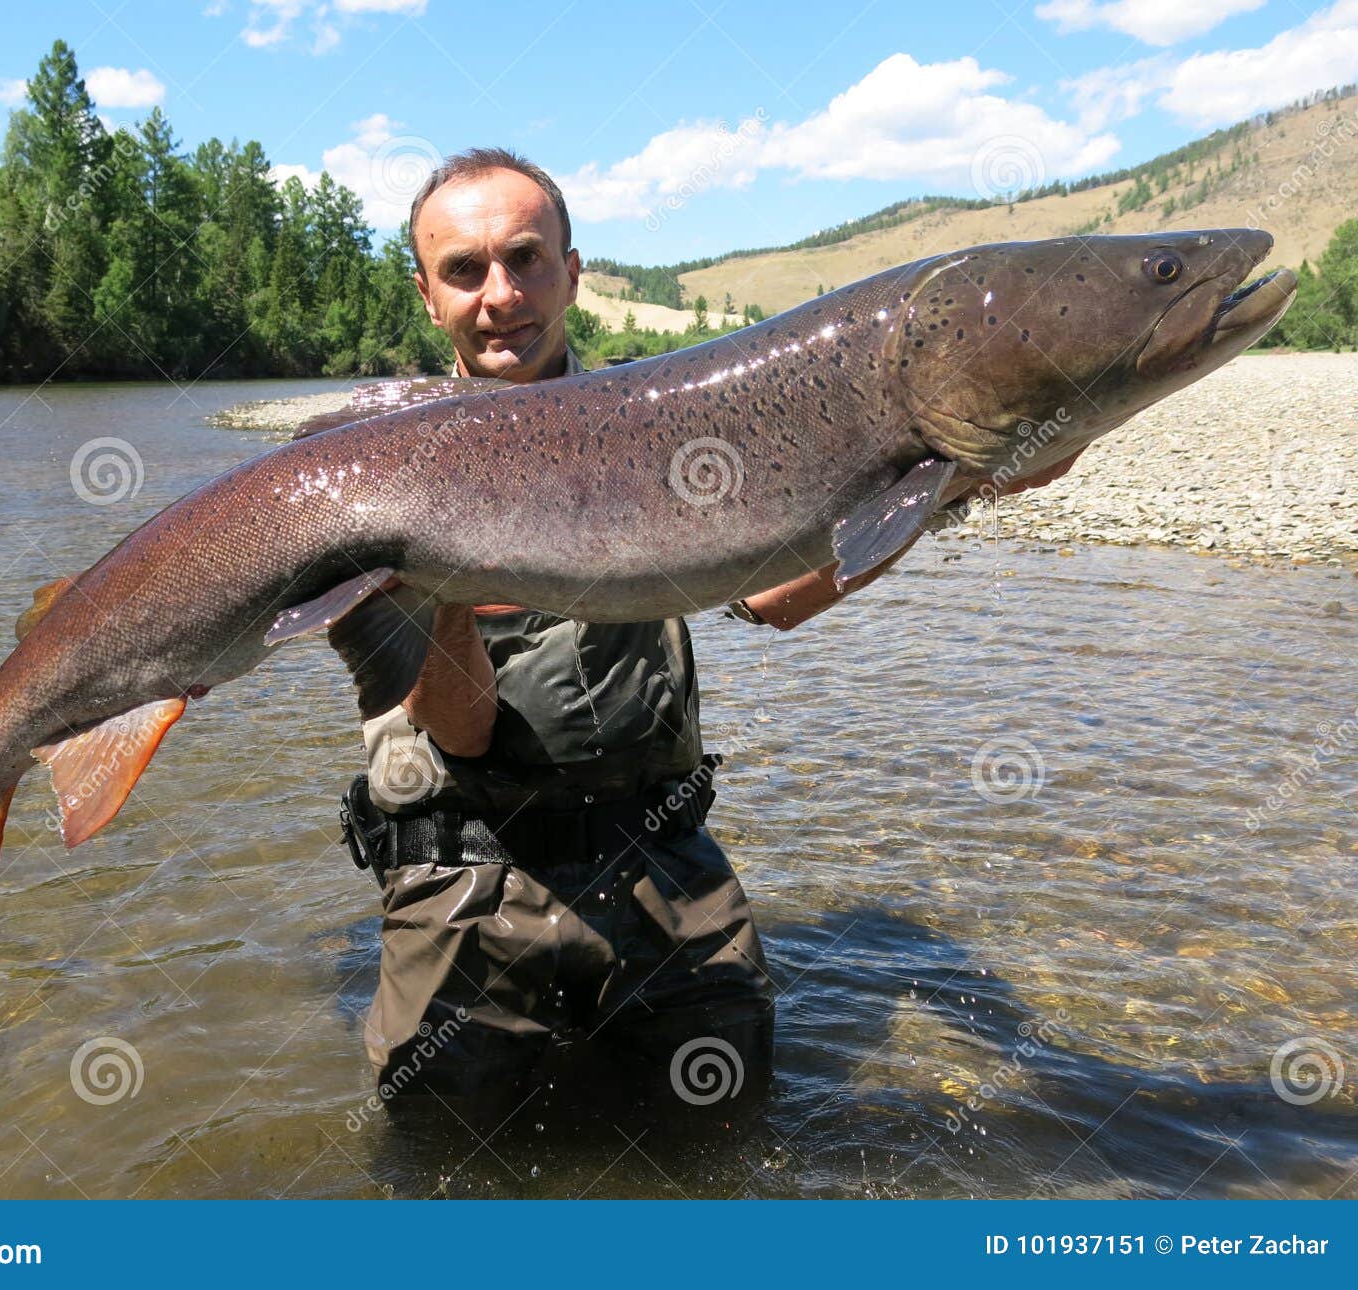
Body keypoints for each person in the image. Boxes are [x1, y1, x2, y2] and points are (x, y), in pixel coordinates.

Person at [343, 146, 1078, 1115]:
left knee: (719, 1135)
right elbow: (466, 732)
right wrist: (422, 567)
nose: (499, 293)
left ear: (571, 271)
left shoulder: (670, 422)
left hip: (659, 857)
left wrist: (950, 484)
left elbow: (774, 599)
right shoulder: (357, 473)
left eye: (525, 259)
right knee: (442, 1152)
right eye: (464, 270)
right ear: (427, 294)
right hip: (463, 869)